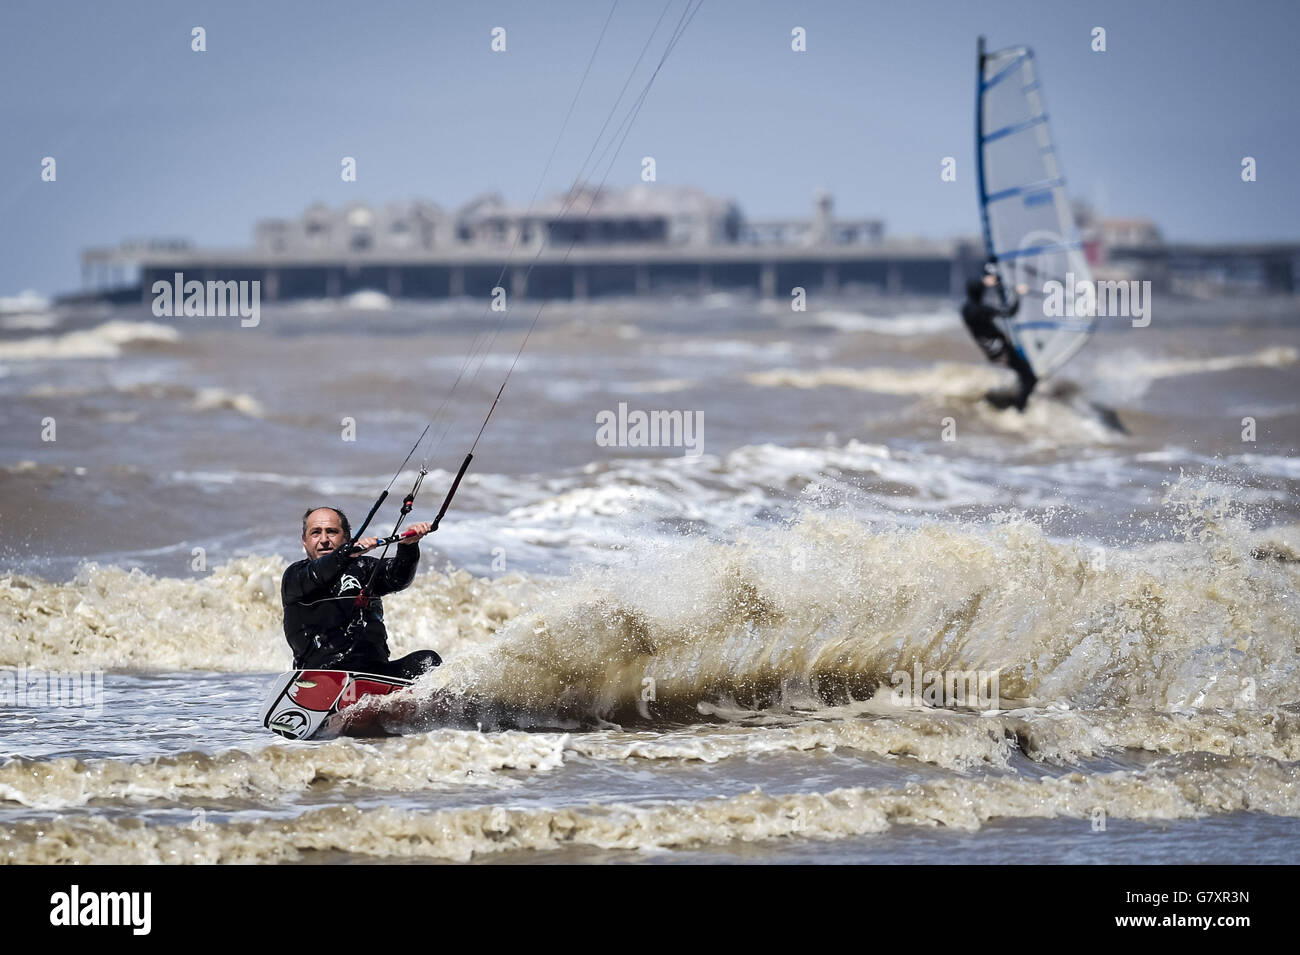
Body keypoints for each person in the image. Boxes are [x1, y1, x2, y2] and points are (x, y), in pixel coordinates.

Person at [281, 506, 442, 679]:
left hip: (375, 674)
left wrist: (408, 547)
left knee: (427, 661)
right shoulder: (296, 576)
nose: (324, 539)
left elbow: (398, 578)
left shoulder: (365, 567)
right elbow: (319, 573)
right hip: (322, 675)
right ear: (304, 540)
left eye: (332, 532)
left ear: (347, 537)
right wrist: (347, 552)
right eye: (315, 533)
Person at [961, 271, 1037, 411]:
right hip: (1001, 350)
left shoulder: (965, 310)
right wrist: (1017, 294)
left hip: (991, 351)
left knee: (1023, 372)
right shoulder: (981, 310)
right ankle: (1020, 409)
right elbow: (1009, 311)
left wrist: (997, 283)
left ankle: (1010, 400)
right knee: (1030, 378)